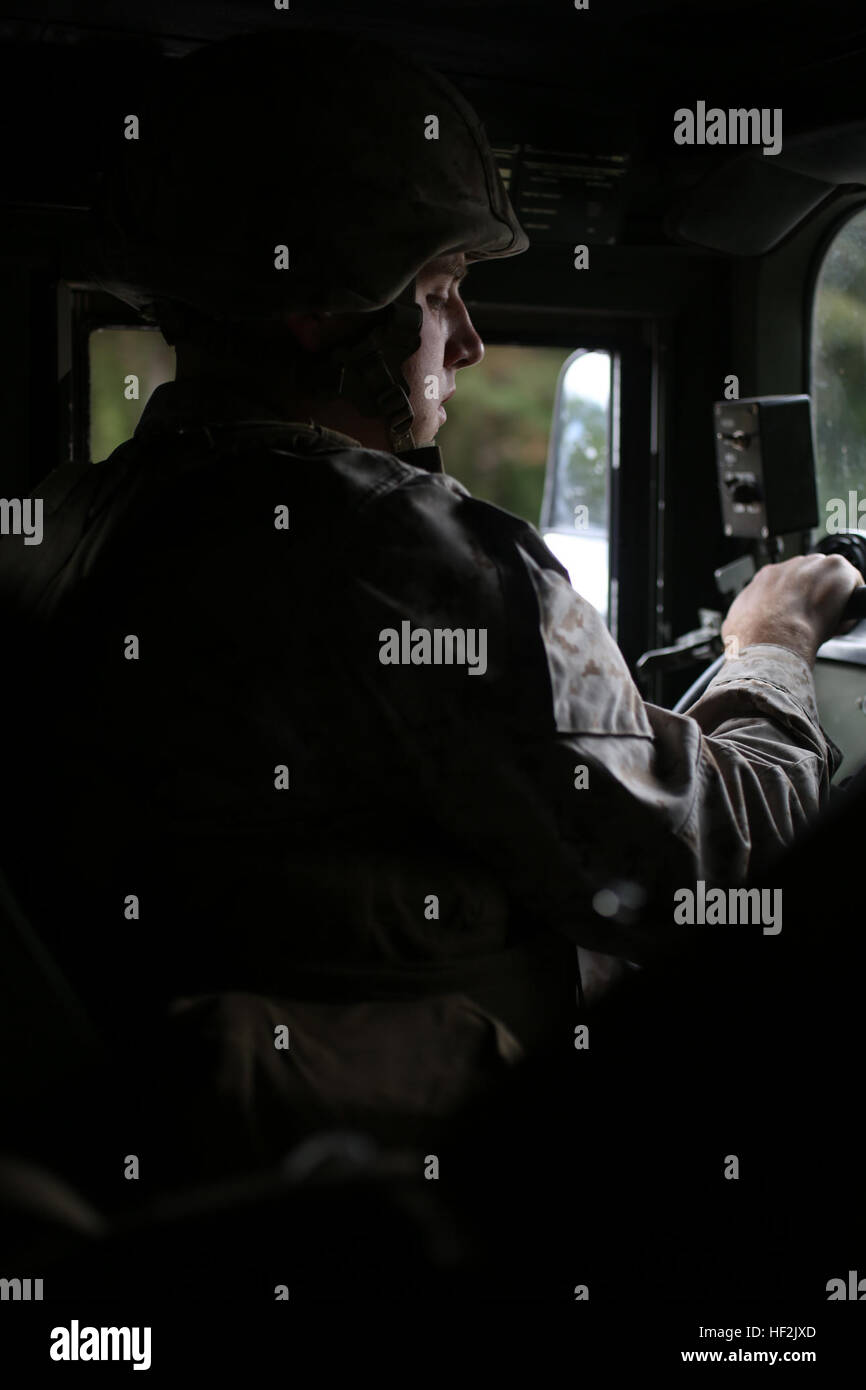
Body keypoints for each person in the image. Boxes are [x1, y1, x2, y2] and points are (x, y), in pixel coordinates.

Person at [0, 30, 860, 1182]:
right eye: (441, 290)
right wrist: (772, 648)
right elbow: (701, 861)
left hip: (198, 1154)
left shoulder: (69, 517)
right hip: (426, 1168)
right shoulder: (396, 548)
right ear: (319, 307)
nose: (467, 340)